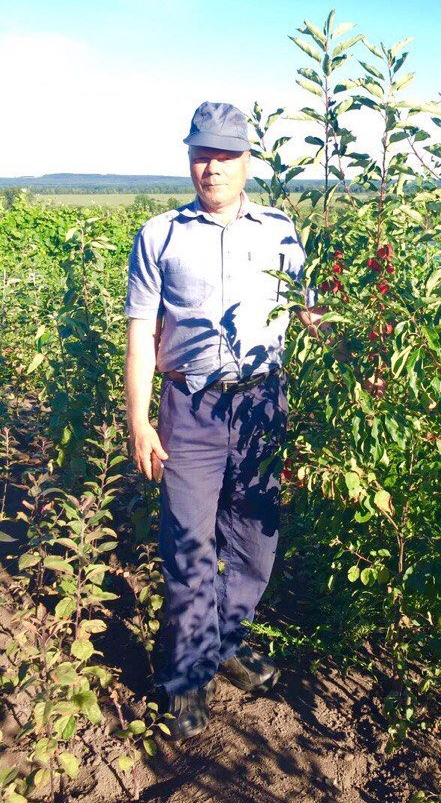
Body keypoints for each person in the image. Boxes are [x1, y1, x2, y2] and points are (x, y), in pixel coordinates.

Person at [123, 101, 328, 740]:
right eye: (200, 154)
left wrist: (364, 358)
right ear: (189, 159)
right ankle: (185, 678)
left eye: (223, 155)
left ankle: (222, 646)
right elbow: (139, 334)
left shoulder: (280, 231)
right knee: (188, 546)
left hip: (263, 406)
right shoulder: (158, 235)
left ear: (247, 161)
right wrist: (139, 420)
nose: (210, 168)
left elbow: (312, 314)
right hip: (189, 408)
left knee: (255, 544)